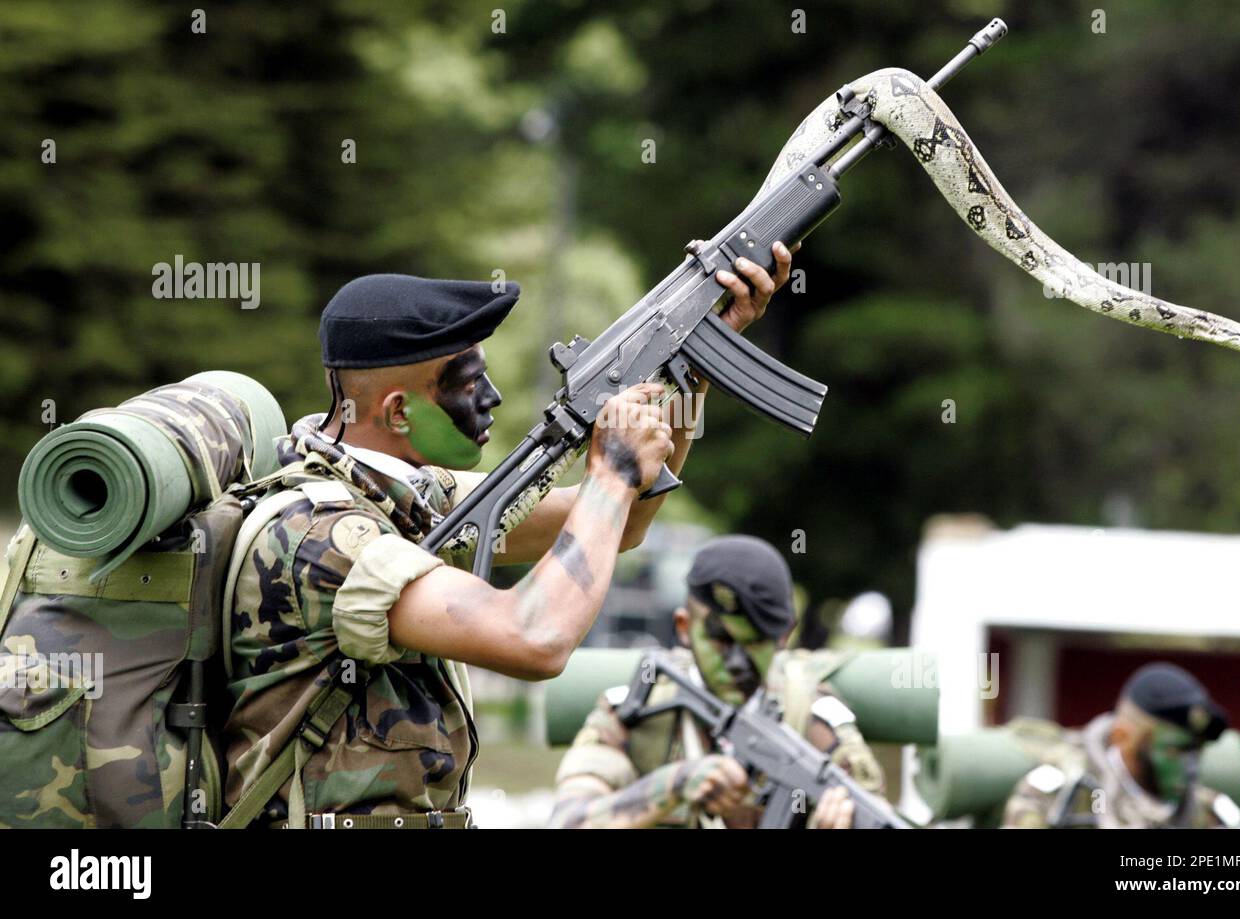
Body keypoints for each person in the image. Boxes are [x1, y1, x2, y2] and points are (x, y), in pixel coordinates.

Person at [221, 245, 797, 829]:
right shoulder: (321, 535)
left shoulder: (403, 497)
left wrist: (692, 365)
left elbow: (622, 525)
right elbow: (535, 638)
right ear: (397, 413)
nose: (491, 397)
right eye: (468, 382)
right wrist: (613, 473)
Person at [549, 535, 886, 829]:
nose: (737, 664)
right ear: (683, 628)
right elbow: (568, 821)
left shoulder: (811, 716)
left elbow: (873, 808)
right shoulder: (636, 713)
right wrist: (673, 785)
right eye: (721, 640)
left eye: (754, 642)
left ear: (784, 636)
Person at [1000, 662, 1237, 829]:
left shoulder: (1203, 812)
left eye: (1197, 750)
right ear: (1122, 737)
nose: (1191, 766)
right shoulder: (1058, 797)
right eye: (1175, 750)